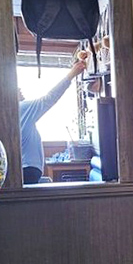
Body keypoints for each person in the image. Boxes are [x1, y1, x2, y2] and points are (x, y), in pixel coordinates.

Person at [19, 53, 88, 184]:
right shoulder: (21, 108)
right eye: (15, 88)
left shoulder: (15, 112)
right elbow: (50, 98)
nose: (20, 89)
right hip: (28, 169)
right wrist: (72, 74)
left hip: (27, 169)